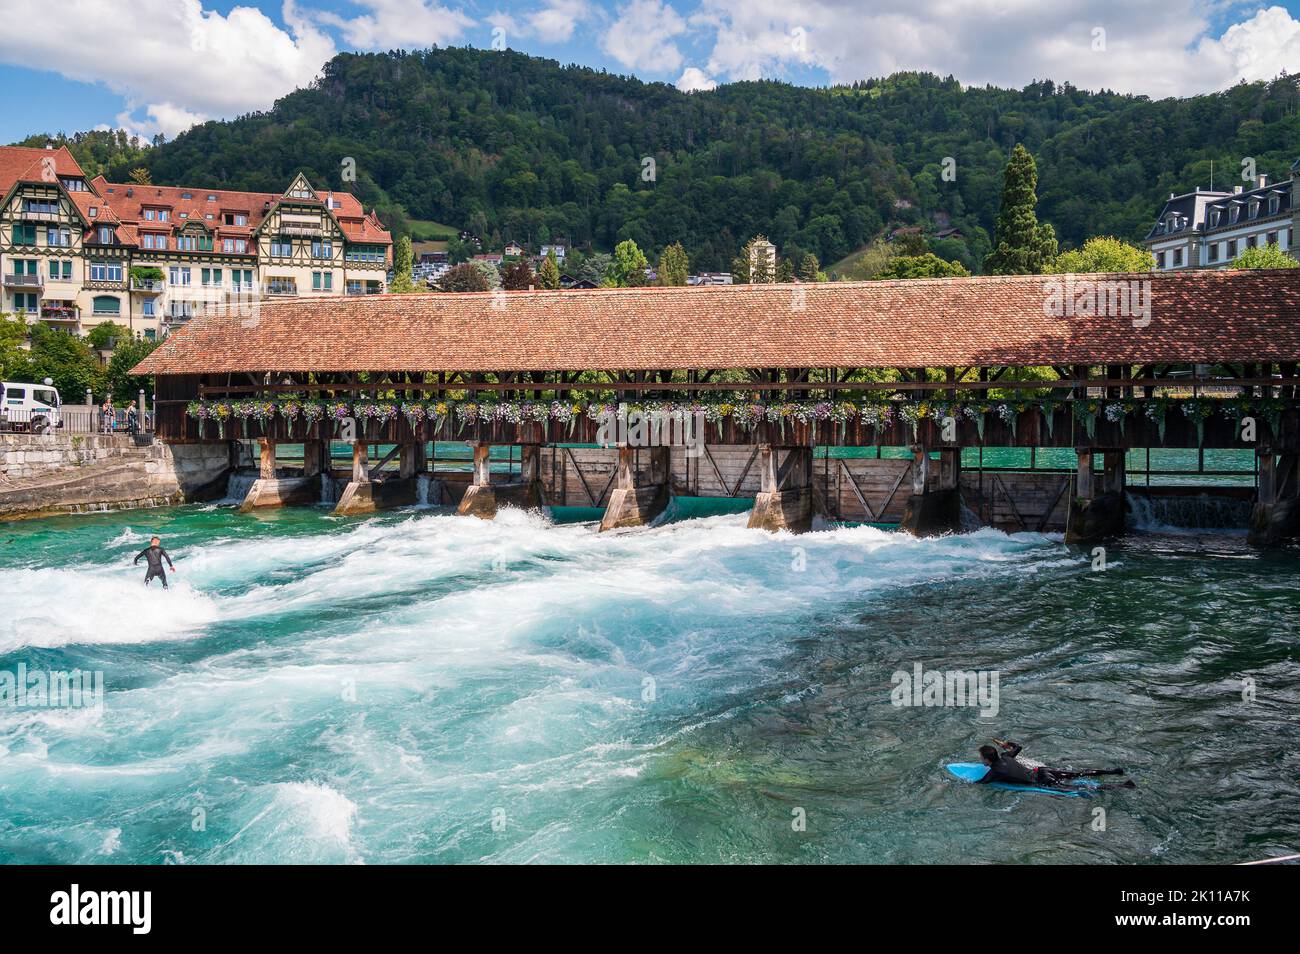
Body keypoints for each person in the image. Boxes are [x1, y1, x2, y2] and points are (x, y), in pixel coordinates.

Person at [978, 739, 1134, 789]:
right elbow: (1018, 747)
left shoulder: (995, 772)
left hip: (1042, 781)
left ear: (987, 760)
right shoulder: (1006, 756)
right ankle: (1114, 771)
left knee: (1077, 787)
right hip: (1042, 770)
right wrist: (1006, 743)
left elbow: (980, 783)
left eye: (981, 758)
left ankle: (1123, 786)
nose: (980, 760)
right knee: (1078, 773)